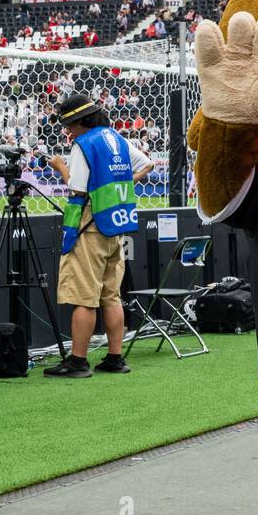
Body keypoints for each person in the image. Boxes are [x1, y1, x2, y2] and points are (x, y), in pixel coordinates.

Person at [44, 93, 152, 377]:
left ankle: (78, 362)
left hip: (89, 225)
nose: (67, 131)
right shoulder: (117, 138)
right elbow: (146, 165)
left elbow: (77, 190)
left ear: (81, 121)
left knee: (85, 297)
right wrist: (120, 187)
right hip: (116, 225)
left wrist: (60, 167)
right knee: (111, 295)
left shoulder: (83, 145)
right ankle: (115, 358)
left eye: (69, 124)